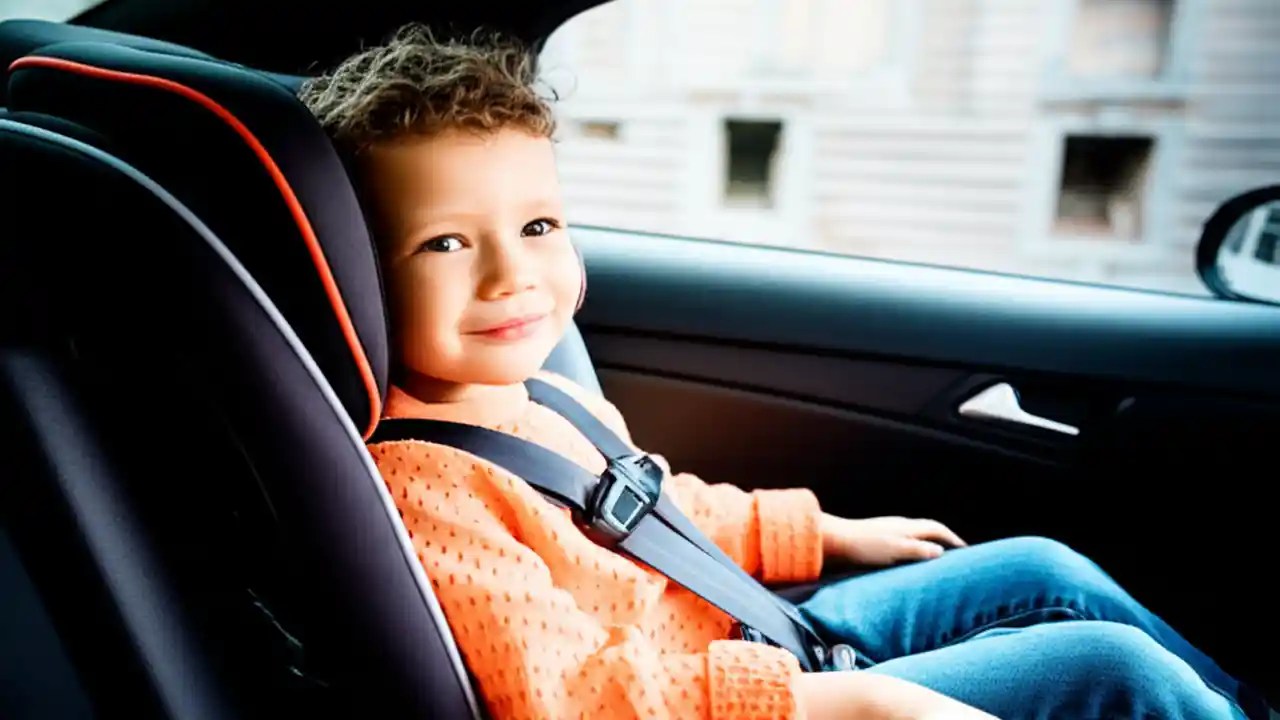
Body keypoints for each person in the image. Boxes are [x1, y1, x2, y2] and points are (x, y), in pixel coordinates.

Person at [298, 24, 1265, 720]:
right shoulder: (427, 485)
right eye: (445, 244)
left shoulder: (538, 396)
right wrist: (843, 704)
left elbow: (660, 510)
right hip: (734, 693)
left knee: (1038, 567)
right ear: (354, 275)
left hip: (749, 635)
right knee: (1103, 668)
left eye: (539, 226)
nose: (514, 274)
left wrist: (832, 533)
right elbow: (570, 699)